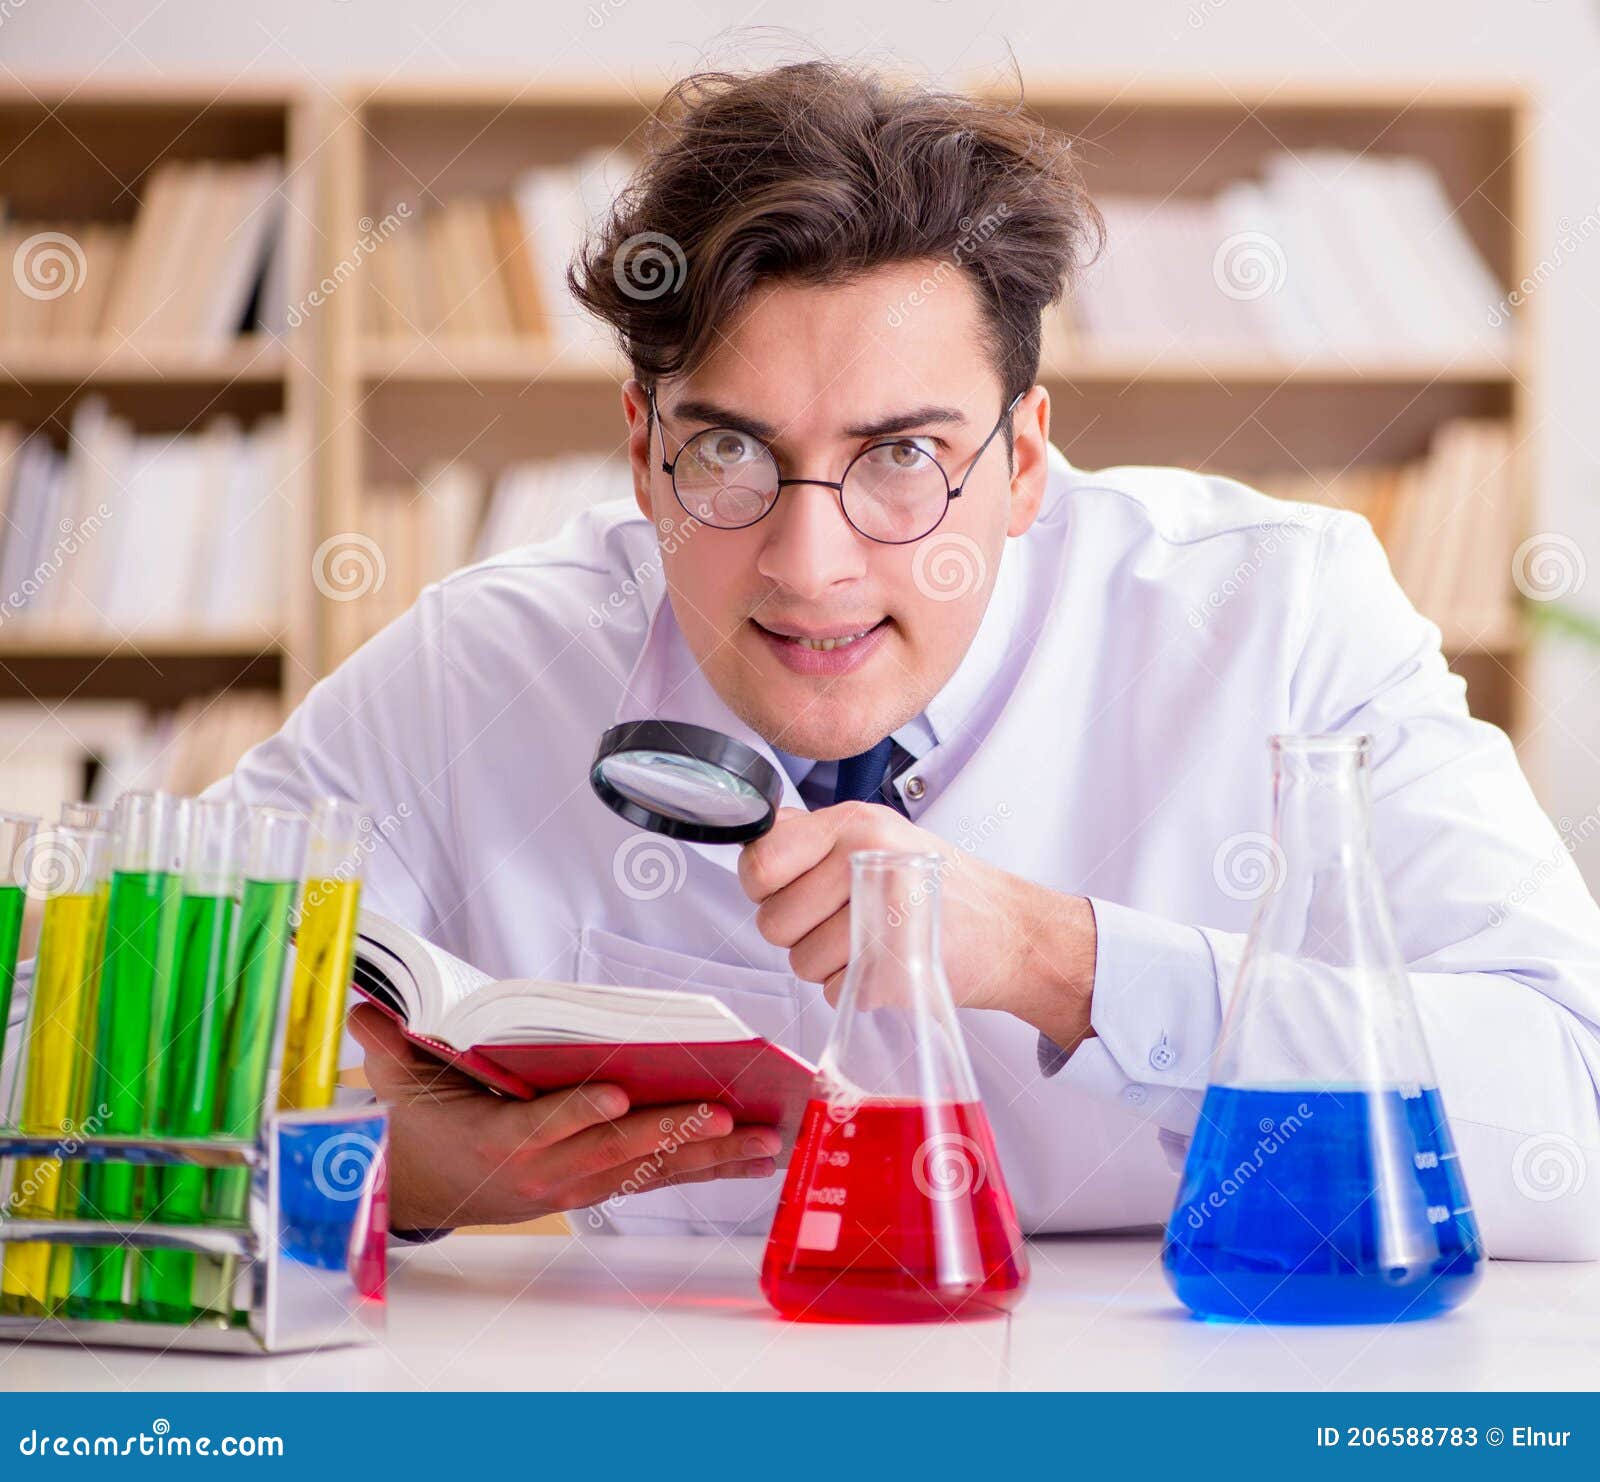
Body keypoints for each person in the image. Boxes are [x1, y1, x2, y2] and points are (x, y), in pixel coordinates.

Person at [214, 60, 1600, 1256]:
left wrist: (1062, 960)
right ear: (641, 452)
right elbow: (65, 1044)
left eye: (905, 457)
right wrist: (397, 1164)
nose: (812, 567)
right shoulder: (488, 666)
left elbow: (1574, 1111)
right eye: (728, 454)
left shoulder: (1281, 618)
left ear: (1026, 457)